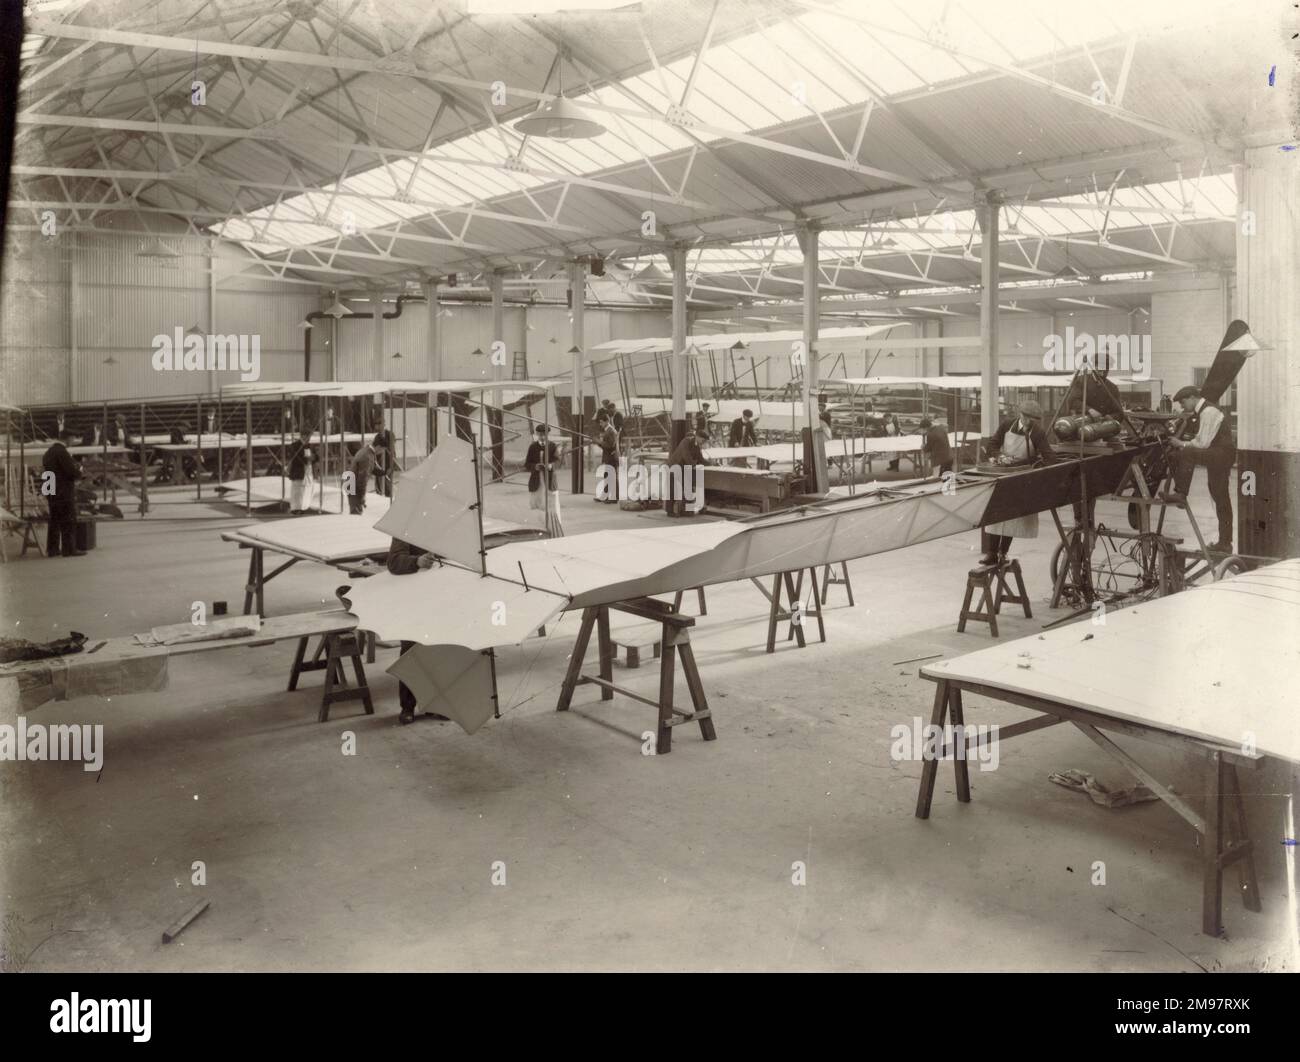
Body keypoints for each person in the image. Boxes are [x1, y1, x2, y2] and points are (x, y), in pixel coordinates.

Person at [978, 399, 1053, 565]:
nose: (1027, 421)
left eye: (1031, 419)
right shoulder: (1007, 425)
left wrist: (1033, 464)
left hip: (1021, 478)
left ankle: (1003, 553)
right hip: (1002, 474)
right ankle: (991, 554)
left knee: (1012, 518)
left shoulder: (1038, 433)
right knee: (995, 515)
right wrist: (999, 456)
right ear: (1020, 414)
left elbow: (1049, 457)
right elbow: (992, 445)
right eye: (1025, 417)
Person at [1163, 385, 1235, 552]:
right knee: (1219, 497)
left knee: (1186, 453)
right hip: (1219, 455)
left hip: (1220, 455)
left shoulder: (1208, 411)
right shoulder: (1205, 410)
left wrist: (1181, 443)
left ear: (1192, 398)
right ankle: (1225, 543)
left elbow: (1202, 443)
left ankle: (1181, 494)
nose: (1182, 407)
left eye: (1182, 402)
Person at [385, 538, 447, 725]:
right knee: (411, 653)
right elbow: (394, 562)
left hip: (441, 596)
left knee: (439, 652)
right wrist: (416, 562)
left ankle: (435, 704)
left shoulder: (445, 523)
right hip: (413, 599)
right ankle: (408, 707)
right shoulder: (407, 524)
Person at [42, 428, 85, 557]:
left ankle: (52, 549)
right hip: (63, 491)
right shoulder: (62, 452)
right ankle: (69, 549)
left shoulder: (49, 452)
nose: (73, 440)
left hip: (51, 489)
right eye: (72, 438)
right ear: (68, 438)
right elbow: (71, 472)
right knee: (68, 519)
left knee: (54, 520)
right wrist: (79, 471)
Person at [525, 424, 564, 533]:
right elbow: (527, 464)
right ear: (537, 434)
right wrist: (535, 466)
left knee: (551, 504)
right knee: (536, 503)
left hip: (550, 480)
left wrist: (551, 465)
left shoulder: (553, 446)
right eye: (540, 435)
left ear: (547, 435)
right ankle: (537, 528)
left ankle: (555, 528)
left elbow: (559, 462)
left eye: (544, 435)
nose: (542, 437)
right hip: (537, 481)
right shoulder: (532, 447)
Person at [666, 427, 709, 517]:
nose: (704, 442)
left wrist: (711, 464)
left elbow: (700, 458)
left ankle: (686, 510)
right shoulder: (686, 441)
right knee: (673, 489)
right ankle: (670, 511)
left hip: (685, 468)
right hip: (675, 466)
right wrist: (694, 464)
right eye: (703, 440)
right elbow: (686, 456)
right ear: (697, 436)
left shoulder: (697, 446)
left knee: (688, 489)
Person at [348, 434, 386, 515]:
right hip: (354, 485)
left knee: (357, 510)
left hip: (351, 481)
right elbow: (362, 479)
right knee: (356, 513)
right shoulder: (367, 456)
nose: (382, 452)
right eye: (383, 449)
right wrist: (362, 497)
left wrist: (382, 472)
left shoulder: (367, 450)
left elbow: (370, 468)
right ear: (379, 447)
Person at [287, 431, 315, 514]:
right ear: (303, 436)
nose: (308, 439)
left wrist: (313, 458)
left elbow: (316, 456)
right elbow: (295, 458)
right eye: (307, 436)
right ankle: (295, 508)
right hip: (299, 469)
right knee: (297, 489)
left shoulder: (309, 445)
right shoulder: (294, 445)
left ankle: (304, 506)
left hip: (308, 469)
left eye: (309, 437)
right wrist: (307, 458)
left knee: (308, 487)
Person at [595, 413, 619, 504]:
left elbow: (611, 446)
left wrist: (599, 442)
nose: (600, 424)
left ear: (607, 421)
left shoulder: (611, 431)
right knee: (607, 476)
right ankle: (605, 496)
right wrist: (598, 443)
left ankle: (614, 497)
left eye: (601, 422)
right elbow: (606, 446)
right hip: (608, 456)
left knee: (612, 477)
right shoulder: (607, 430)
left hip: (612, 457)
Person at [372, 424, 396, 496]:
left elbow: (390, 447)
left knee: (386, 480)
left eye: (377, 425)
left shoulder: (388, 435)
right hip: (381, 462)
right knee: (381, 479)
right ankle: (381, 493)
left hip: (388, 461)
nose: (376, 427)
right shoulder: (378, 436)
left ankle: (386, 494)